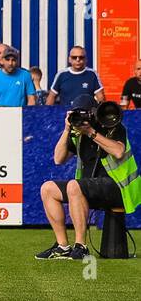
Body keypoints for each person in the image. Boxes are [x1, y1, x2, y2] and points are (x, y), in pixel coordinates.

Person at [36, 96, 138, 260]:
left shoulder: (112, 125)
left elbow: (118, 151)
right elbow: (58, 159)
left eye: (85, 113)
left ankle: (81, 246)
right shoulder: (77, 132)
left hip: (119, 188)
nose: (82, 117)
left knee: (73, 186)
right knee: (47, 188)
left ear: (94, 112)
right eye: (77, 113)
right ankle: (62, 246)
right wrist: (67, 130)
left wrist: (91, 132)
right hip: (89, 187)